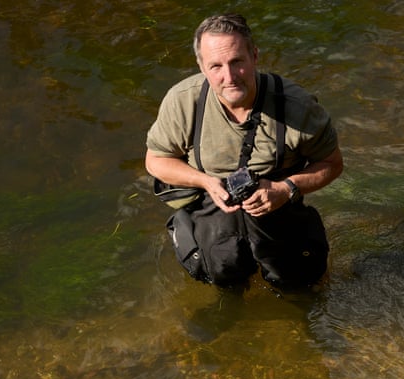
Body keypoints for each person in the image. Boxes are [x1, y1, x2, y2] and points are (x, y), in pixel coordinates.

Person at [146, 14, 344, 288]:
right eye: (215, 66)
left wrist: (285, 189)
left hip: (278, 208)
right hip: (212, 209)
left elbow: (332, 163)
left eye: (237, 62)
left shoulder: (296, 106)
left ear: (254, 55)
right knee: (223, 275)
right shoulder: (183, 101)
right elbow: (155, 160)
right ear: (201, 66)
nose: (228, 77)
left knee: (298, 282)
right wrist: (205, 181)